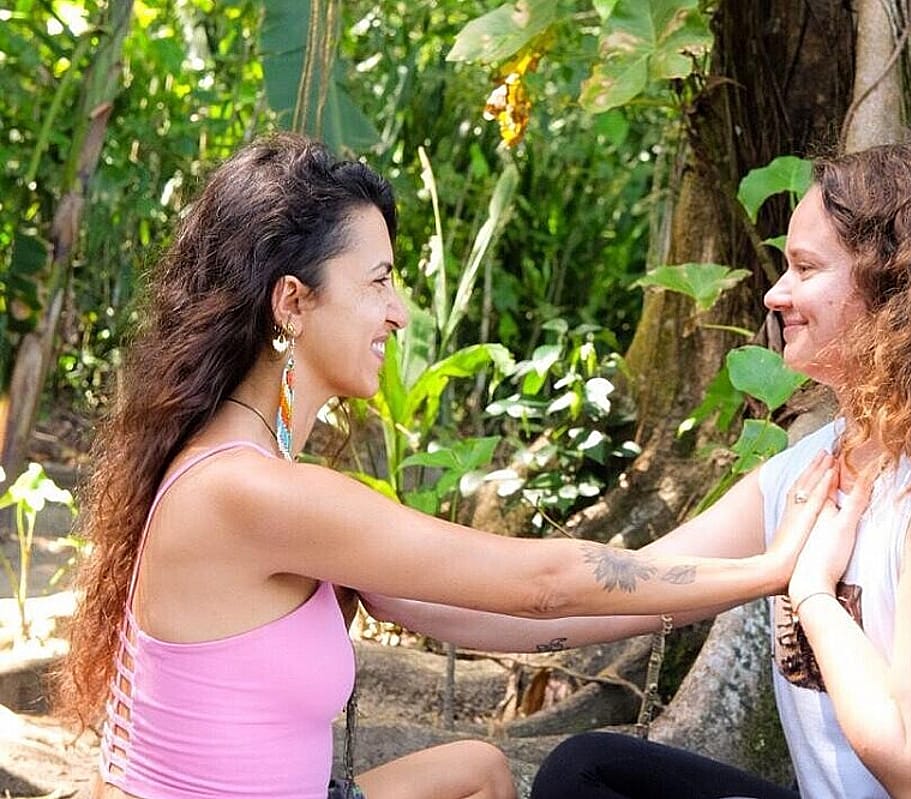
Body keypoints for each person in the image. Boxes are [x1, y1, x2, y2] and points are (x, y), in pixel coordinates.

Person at [51, 133, 818, 799]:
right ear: (292, 302)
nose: (398, 311)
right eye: (378, 280)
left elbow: (509, 610)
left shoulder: (247, 470)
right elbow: (543, 585)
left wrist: (723, 562)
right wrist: (770, 570)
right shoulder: (249, 490)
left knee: (477, 770)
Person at [363, 139, 911, 798]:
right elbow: (605, 595)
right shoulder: (808, 473)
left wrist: (810, 592)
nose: (776, 294)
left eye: (805, 268)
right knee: (589, 774)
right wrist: (380, 582)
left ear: (895, 287)